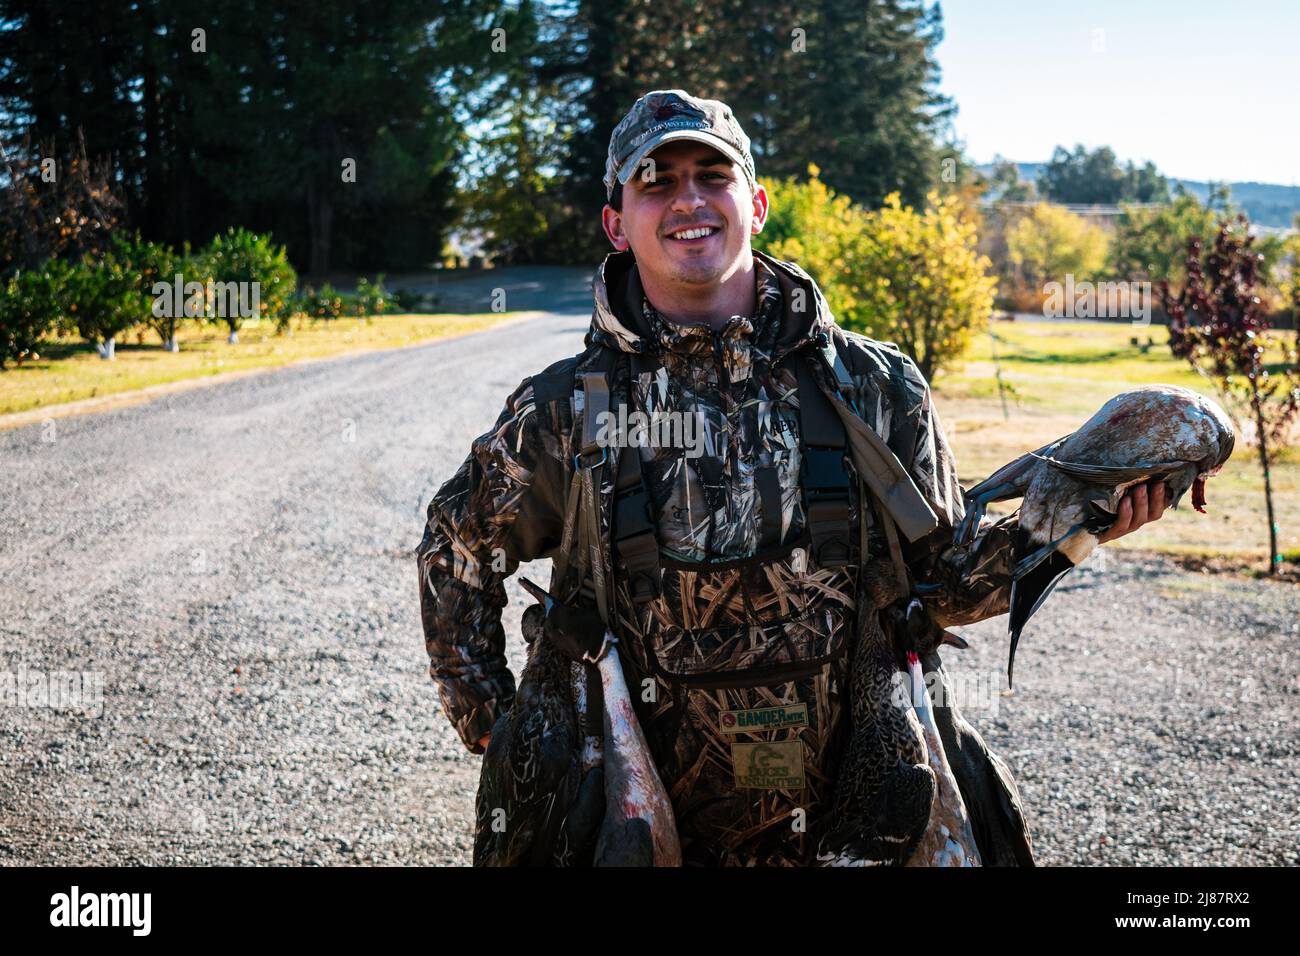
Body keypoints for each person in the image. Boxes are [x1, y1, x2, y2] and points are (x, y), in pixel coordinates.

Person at [416, 90, 1168, 866]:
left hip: (858, 818)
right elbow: (455, 550)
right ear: (616, 223)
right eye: (655, 180)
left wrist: (1084, 523)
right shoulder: (564, 411)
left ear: (758, 202)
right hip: (634, 828)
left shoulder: (875, 388)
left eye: (713, 175)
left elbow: (944, 581)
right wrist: (507, 734)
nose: (689, 200)